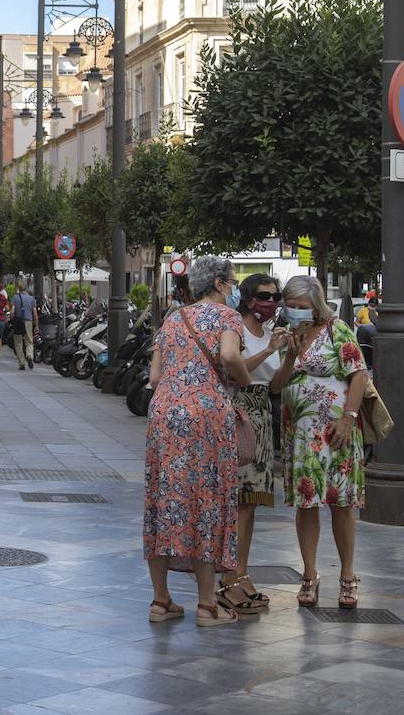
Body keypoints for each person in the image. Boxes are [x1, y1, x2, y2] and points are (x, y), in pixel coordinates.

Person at [143, 255, 249, 627]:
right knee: (208, 500)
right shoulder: (228, 318)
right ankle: (206, 606)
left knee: (163, 500)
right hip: (206, 416)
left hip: (164, 416)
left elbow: (155, 377)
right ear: (219, 284)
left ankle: (160, 601)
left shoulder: (173, 319)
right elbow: (230, 355)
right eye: (232, 282)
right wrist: (243, 379)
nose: (234, 288)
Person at [271, 275, 369, 610]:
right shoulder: (283, 337)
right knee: (306, 503)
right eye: (291, 306)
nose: (295, 312)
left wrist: (348, 417)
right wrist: (288, 356)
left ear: (316, 305)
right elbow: (274, 386)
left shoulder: (336, 330)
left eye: (302, 307)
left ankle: (347, 576)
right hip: (300, 433)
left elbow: (359, 373)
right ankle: (310, 575)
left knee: (342, 503)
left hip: (337, 431)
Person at [218, 272, 284, 616]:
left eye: (276, 296)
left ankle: (240, 572)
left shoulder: (272, 333)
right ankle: (229, 578)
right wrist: (270, 351)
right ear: (246, 297)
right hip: (239, 410)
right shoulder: (236, 329)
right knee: (238, 501)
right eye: (263, 295)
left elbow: (275, 386)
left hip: (262, 412)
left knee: (251, 502)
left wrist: (287, 354)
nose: (270, 302)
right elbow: (234, 371)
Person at [10, 285, 38, 371]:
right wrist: (36, 325)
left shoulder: (15, 298)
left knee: (18, 342)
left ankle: (22, 363)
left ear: (19, 289)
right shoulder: (31, 299)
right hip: (28, 321)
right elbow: (35, 313)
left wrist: (12, 320)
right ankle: (29, 355)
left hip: (18, 322)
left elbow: (12, 311)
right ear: (27, 290)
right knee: (29, 341)